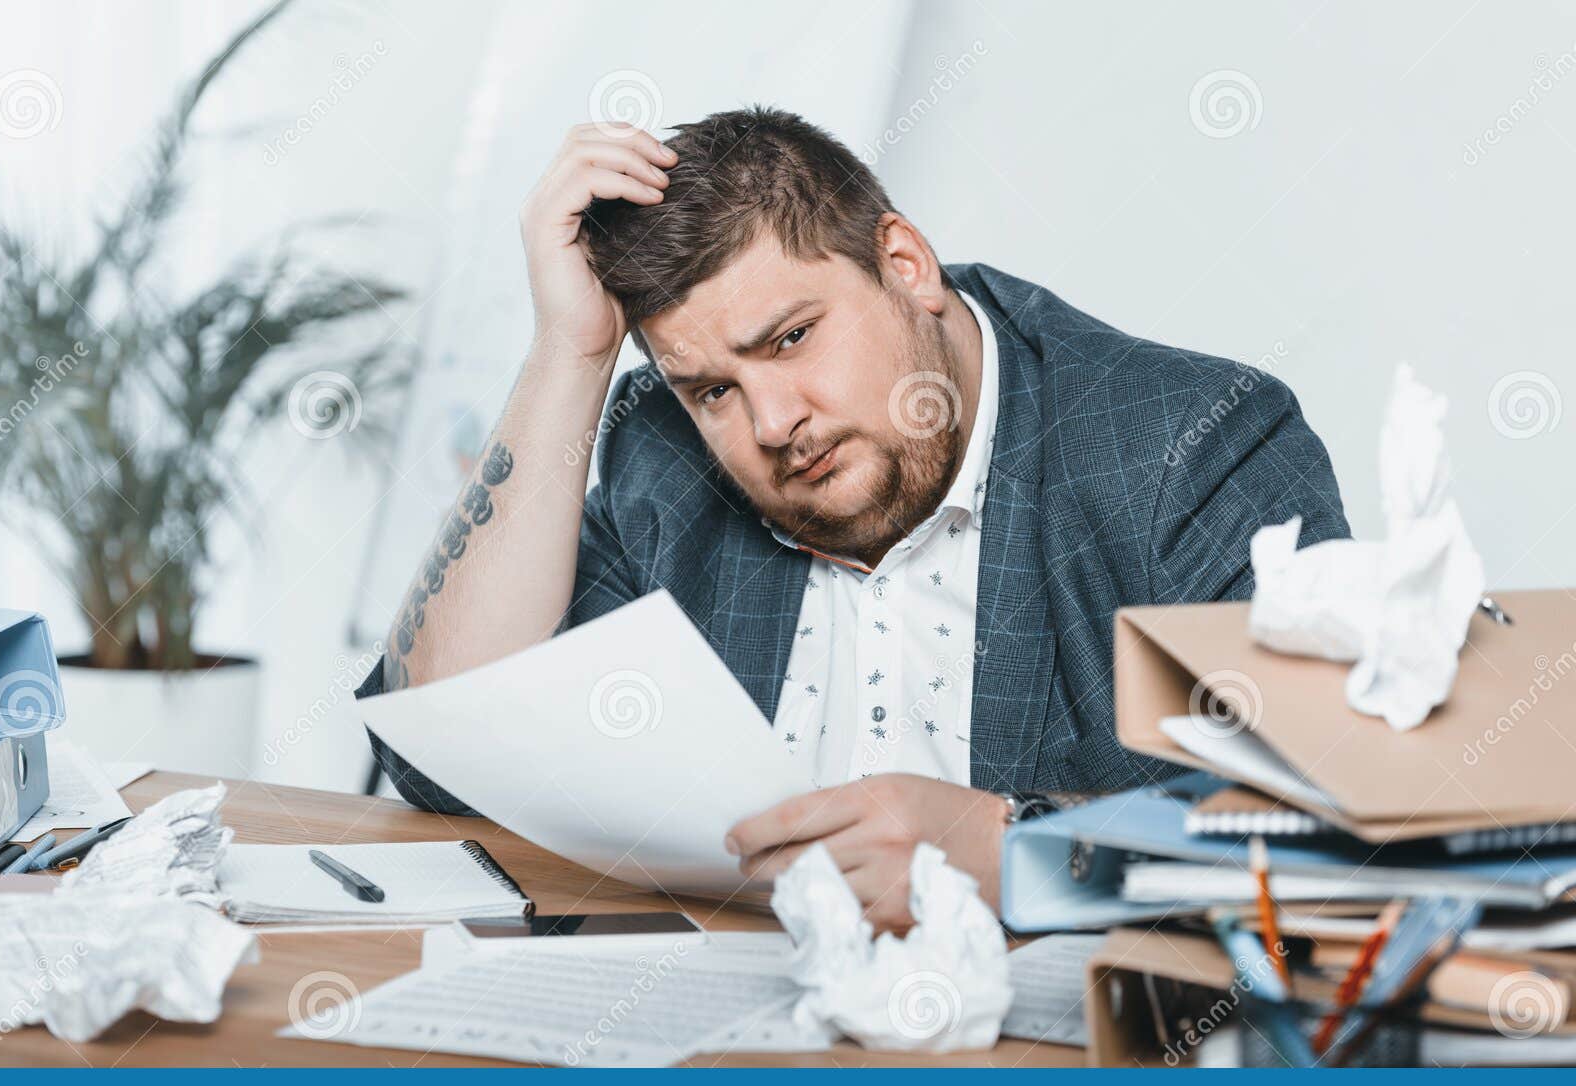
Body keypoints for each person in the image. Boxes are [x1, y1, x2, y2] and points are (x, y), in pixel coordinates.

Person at [356, 106, 1348, 931]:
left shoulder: (1190, 446)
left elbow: (1342, 822)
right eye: (711, 391)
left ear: (905, 264)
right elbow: (440, 740)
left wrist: (1009, 848)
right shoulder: (665, 459)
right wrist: (567, 355)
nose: (773, 422)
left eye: (791, 338)